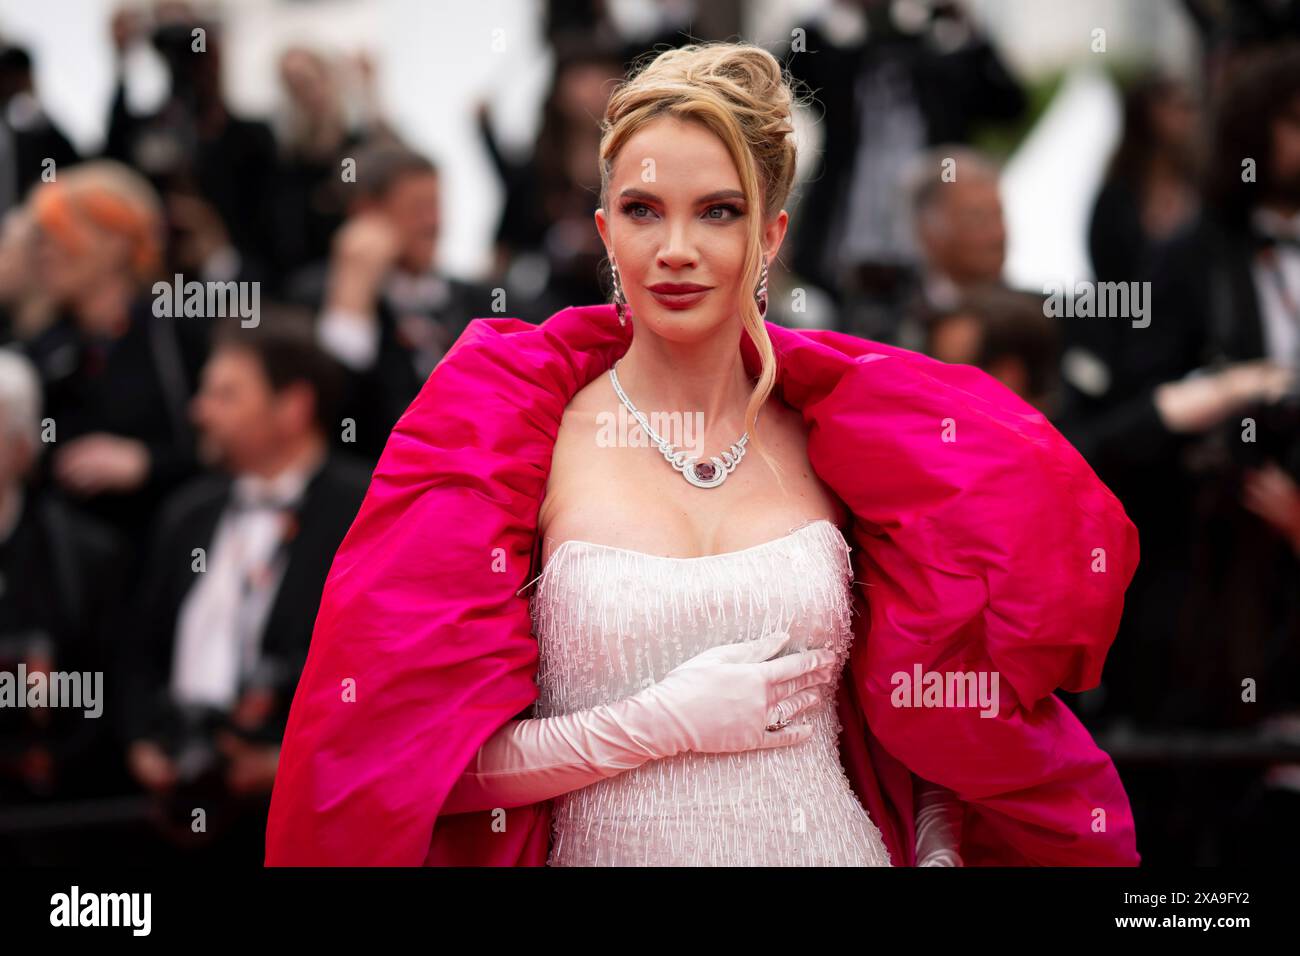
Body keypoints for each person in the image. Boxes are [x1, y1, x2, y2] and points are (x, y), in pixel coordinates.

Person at [267, 42, 1139, 867]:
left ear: (769, 236)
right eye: (645, 211)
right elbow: (418, 763)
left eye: (718, 212)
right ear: (606, 234)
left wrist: (940, 850)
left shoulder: (849, 444)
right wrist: (652, 723)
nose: (676, 249)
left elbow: (929, 722)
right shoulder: (516, 441)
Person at [117, 321, 367, 861]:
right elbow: (138, 643)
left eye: (225, 394)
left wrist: (288, 760)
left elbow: (381, 670)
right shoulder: (187, 513)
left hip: (304, 815)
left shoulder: (363, 511)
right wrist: (141, 743)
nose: (199, 411)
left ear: (292, 407)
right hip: (174, 808)